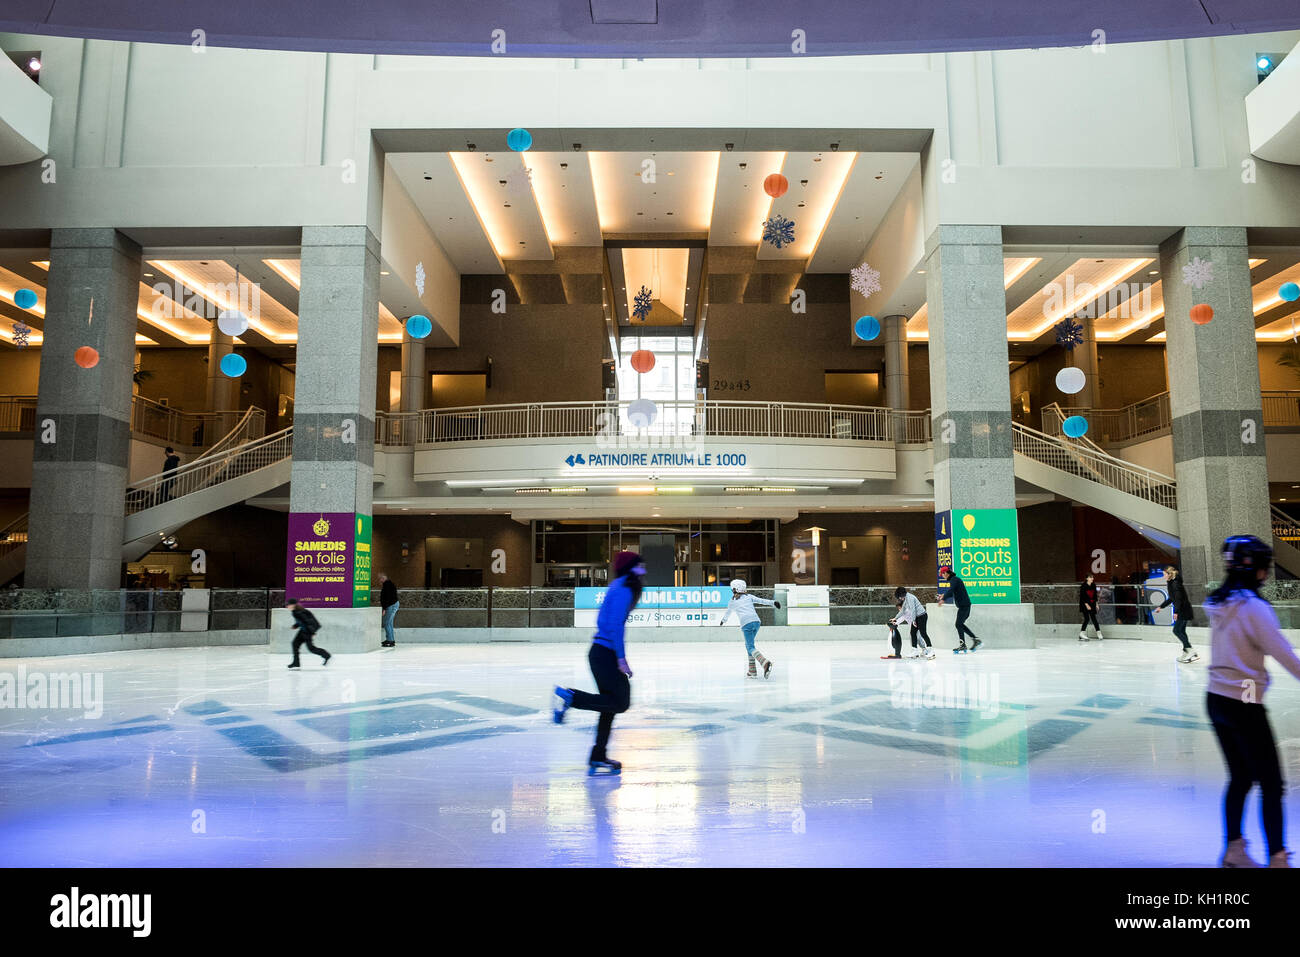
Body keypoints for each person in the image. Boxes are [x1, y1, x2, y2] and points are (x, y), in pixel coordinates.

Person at [1205, 535, 1300, 868]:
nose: (1266, 574)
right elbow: (1286, 655)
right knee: (1271, 783)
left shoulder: (1220, 602)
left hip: (1217, 699)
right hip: (1244, 702)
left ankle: (1233, 850)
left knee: (1242, 778)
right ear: (1255, 569)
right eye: (1264, 568)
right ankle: (1277, 857)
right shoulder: (1254, 608)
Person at [552, 551, 644, 775]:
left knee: (610, 706)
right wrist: (621, 658)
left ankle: (598, 757)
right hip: (605, 654)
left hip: (601, 652)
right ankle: (571, 697)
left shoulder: (619, 586)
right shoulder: (623, 588)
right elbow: (615, 625)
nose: (643, 570)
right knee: (621, 702)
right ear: (630, 568)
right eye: (639, 566)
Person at [718, 578, 780, 678]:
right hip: (756, 622)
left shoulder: (732, 602)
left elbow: (728, 613)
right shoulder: (749, 597)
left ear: (735, 589)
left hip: (746, 624)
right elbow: (762, 601)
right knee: (749, 646)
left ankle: (765, 663)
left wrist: (723, 621)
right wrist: (773, 602)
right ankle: (752, 671)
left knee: (750, 647)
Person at [1158, 565, 1198, 663]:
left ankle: (1190, 650)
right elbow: (1172, 598)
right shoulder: (1172, 583)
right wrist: (1161, 606)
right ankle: (1187, 651)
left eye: (1164, 575)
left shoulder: (1174, 584)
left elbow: (1178, 599)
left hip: (1182, 610)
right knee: (1181, 631)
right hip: (1184, 609)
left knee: (1176, 630)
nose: (1163, 577)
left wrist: (1176, 612)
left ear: (1169, 574)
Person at [939, 565, 982, 653]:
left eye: (942, 574)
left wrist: (943, 599)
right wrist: (943, 596)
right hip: (964, 606)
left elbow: (951, 590)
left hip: (964, 606)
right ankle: (974, 640)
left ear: (946, 573)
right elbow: (952, 592)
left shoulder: (954, 579)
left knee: (958, 624)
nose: (942, 576)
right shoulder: (954, 580)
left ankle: (965, 644)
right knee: (959, 624)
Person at [889, 585, 934, 659]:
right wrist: (895, 618)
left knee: (923, 633)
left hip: (922, 616)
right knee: (913, 633)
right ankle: (914, 650)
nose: (900, 599)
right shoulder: (906, 598)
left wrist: (913, 620)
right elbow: (903, 610)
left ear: (902, 595)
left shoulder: (910, 598)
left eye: (899, 597)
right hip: (917, 617)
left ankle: (930, 651)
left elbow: (913, 610)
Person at [286, 598, 331, 669]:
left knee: (311, 649)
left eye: (288, 605)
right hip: (303, 631)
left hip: (307, 631)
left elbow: (308, 622)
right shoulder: (296, 611)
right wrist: (295, 626)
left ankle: (326, 655)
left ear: (293, 605)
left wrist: (312, 632)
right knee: (295, 644)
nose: (287, 606)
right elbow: (301, 621)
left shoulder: (299, 612)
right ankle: (296, 662)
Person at [1078, 574, 1103, 641]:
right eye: (1090, 577)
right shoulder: (1083, 586)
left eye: (1092, 577)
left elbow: (1095, 595)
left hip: (1092, 603)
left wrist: (1096, 604)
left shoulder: (1093, 585)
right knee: (1087, 619)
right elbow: (1082, 596)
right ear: (1087, 578)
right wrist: (1086, 605)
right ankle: (1082, 633)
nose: (1092, 578)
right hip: (1084, 604)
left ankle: (1099, 632)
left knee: (1094, 618)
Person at [378, 573, 399, 647]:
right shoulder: (389, 584)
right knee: (389, 623)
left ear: (383, 578)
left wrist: (384, 609)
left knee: (386, 623)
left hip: (391, 605)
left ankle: (390, 640)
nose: (379, 581)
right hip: (393, 604)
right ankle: (391, 640)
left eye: (380, 579)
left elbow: (387, 598)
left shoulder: (387, 585)